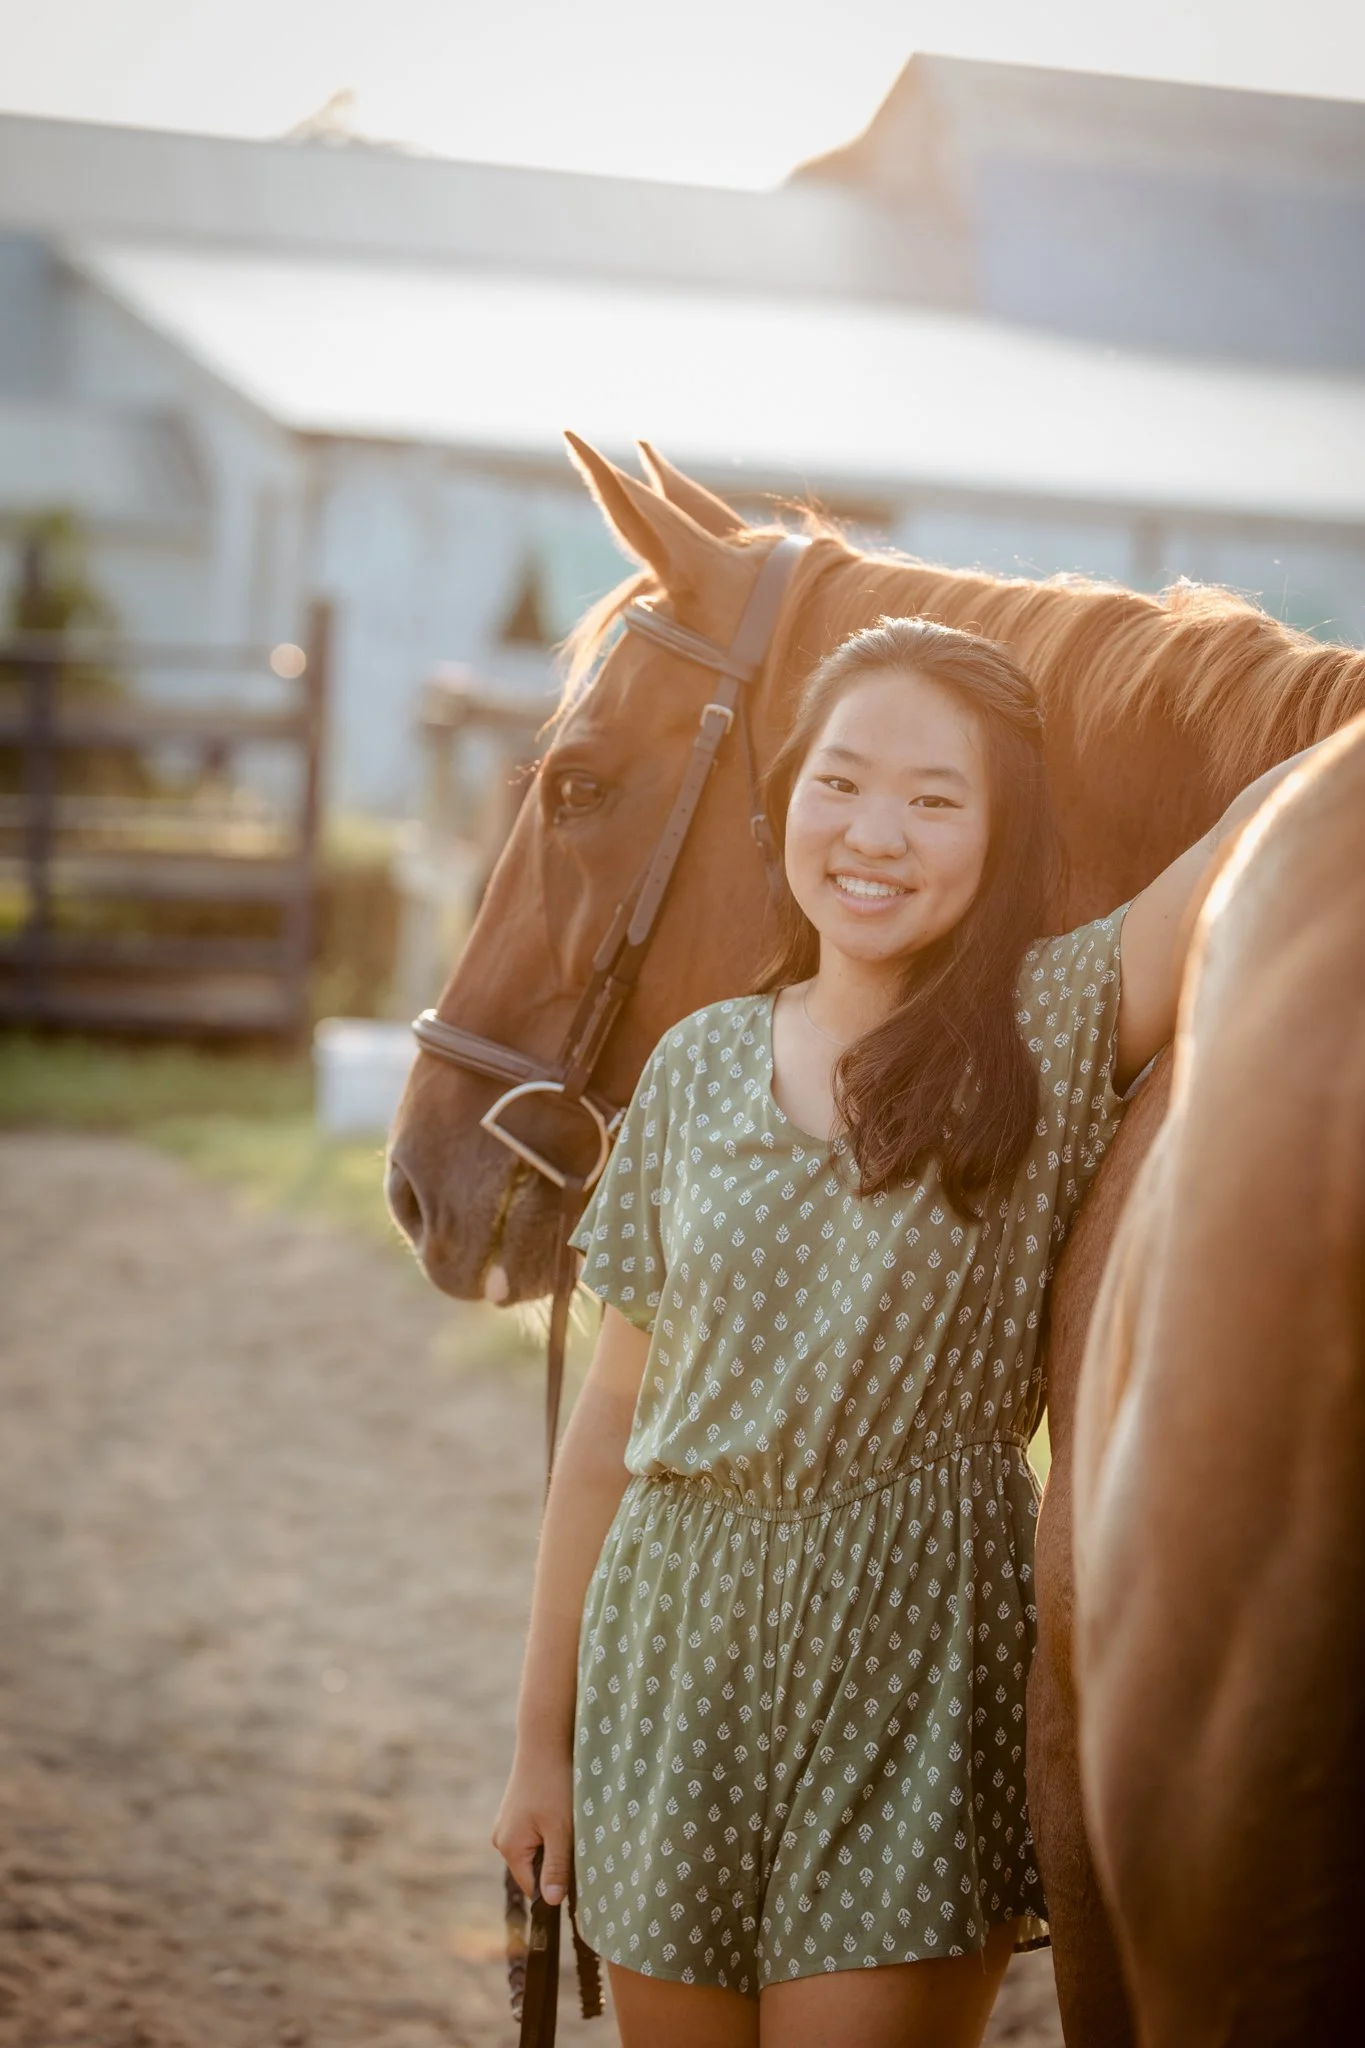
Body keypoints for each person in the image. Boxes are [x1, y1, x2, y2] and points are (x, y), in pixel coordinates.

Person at [493, 616, 1315, 2048]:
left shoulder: (1056, 1018)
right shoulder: (694, 1067)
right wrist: (538, 1748)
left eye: (938, 799)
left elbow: (1271, 822)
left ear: (1004, 835)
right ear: (788, 795)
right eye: (842, 781)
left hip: (919, 1664)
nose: (877, 832)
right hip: (674, 1655)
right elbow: (605, 1437)